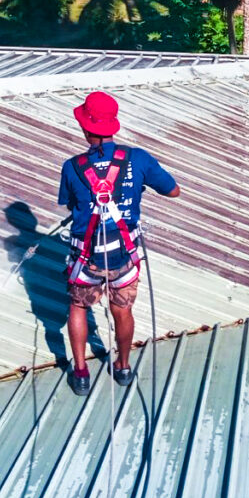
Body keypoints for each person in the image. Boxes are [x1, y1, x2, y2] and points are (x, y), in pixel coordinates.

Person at [58, 91, 179, 395]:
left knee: (77, 306)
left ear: (86, 128)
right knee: (122, 310)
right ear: (113, 126)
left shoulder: (72, 167)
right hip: (123, 252)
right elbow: (174, 191)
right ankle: (123, 367)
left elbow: (70, 204)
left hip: (86, 254)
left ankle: (82, 373)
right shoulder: (137, 159)